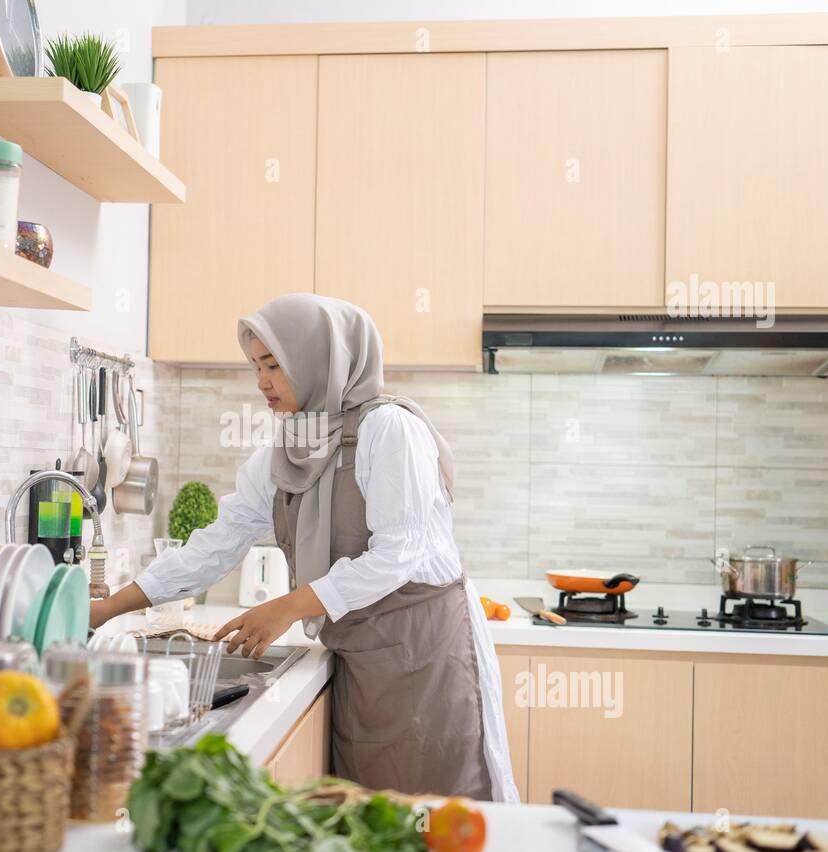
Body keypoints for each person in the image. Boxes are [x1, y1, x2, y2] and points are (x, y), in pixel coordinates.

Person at [90, 293, 518, 801]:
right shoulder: (284, 452)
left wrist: (288, 607)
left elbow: (398, 554)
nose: (261, 382)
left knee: (441, 814)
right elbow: (216, 545)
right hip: (360, 661)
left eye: (274, 366)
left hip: (424, 657)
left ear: (323, 360)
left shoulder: (389, 429)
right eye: (256, 366)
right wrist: (107, 609)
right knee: (368, 816)